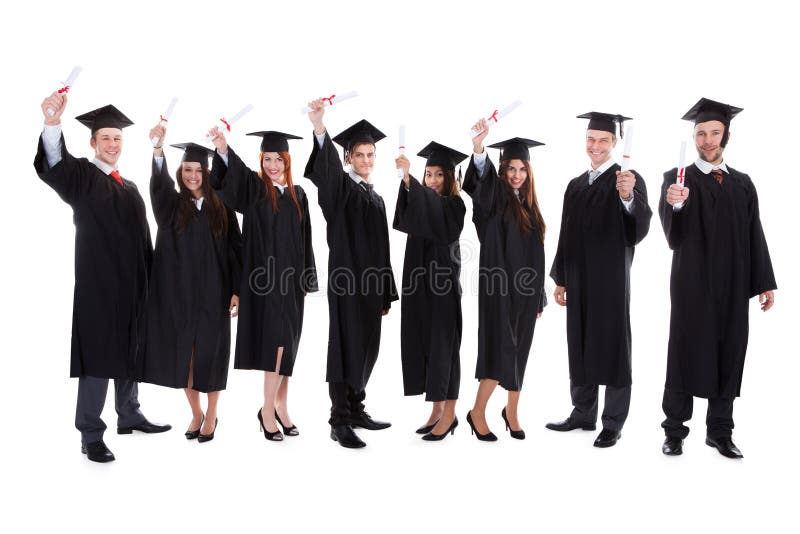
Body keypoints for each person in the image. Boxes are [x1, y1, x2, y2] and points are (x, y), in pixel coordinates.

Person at [34, 94, 170, 463]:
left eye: (118, 139)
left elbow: (145, 238)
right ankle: (91, 433)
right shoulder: (82, 177)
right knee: (96, 358)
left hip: (134, 287)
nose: (112, 144)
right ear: (92, 143)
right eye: (106, 138)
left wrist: (154, 282)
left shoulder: (130, 187)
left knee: (131, 349)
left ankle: (129, 414)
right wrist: (51, 124)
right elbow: (55, 163)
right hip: (98, 289)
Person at [659, 97, 776, 459]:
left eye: (714, 132)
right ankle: (675, 431)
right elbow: (673, 237)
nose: (708, 140)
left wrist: (765, 281)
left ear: (726, 134)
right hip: (691, 284)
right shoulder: (677, 180)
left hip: (733, 284)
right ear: (693, 137)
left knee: (729, 350)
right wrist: (675, 203)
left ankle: (720, 432)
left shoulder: (743, 184)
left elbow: (754, 232)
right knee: (683, 351)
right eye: (701, 134)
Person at [546, 112, 652, 448]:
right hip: (577, 277)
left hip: (609, 279)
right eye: (591, 139)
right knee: (578, 342)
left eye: (603, 140)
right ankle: (582, 413)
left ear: (615, 143)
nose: (596, 146)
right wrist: (561, 277)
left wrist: (627, 198)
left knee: (613, 345)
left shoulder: (627, 180)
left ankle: (613, 422)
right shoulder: (575, 185)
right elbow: (566, 233)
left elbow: (638, 230)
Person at [209, 128, 317, 442]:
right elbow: (235, 178)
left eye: (277, 159)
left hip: (293, 282)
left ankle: (282, 406)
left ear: (287, 160)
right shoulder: (257, 190)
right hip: (266, 282)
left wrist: (308, 278)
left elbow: (306, 237)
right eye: (267, 158)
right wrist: (223, 149)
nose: (272, 164)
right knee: (277, 347)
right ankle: (267, 410)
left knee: (289, 346)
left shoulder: (300, 195)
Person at [139, 126, 243, 444]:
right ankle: (195, 413)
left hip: (215, 295)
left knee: (211, 356)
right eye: (187, 169)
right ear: (180, 171)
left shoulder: (222, 208)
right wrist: (157, 151)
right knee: (185, 357)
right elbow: (158, 190)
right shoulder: (171, 206)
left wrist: (237, 289)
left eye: (199, 170)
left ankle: (211, 414)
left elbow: (236, 250)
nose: (193, 175)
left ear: (207, 172)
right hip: (180, 296)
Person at [305, 100, 398, 448]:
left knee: (367, 347)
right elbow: (325, 174)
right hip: (346, 283)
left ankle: (357, 408)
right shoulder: (341, 190)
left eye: (370, 154)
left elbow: (385, 250)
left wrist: (386, 291)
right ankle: (339, 419)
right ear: (348, 158)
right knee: (344, 347)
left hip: (372, 287)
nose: (366, 160)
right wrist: (319, 128)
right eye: (359, 155)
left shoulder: (377, 198)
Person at [462, 120, 547, 441]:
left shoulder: (531, 207)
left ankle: (511, 411)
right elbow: (479, 185)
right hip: (499, 290)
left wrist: (538, 296)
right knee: (501, 350)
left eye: (521, 168)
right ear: (501, 171)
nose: (516, 174)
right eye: (510, 168)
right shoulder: (495, 199)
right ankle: (477, 411)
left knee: (520, 349)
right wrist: (479, 148)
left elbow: (536, 257)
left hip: (526, 294)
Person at [394, 142, 467, 441]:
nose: (434, 180)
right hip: (419, 289)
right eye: (429, 174)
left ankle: (449, 413)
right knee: (426, 347)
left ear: (450, 178)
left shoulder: (454, 205)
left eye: (440, 175)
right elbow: (408, 215)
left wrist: (411, 181)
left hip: (443, 290)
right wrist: (408, 185)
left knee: (445, 351)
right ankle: (436, 410)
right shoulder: (424, 202)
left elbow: (437, 218)